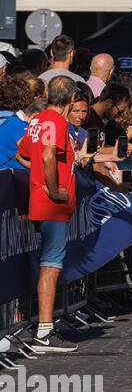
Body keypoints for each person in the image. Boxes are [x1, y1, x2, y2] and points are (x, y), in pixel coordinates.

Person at [14, 76, 85, 352]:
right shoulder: (56, 122)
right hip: (52, 204)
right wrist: (54, 190)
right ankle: (44, 332)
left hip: (38, 201)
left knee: (47, 264)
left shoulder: (36, 120)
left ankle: (44, 327)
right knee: (51, 265)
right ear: (69, 99)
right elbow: (45, 156)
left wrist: (38, 179)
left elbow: (23, 152)